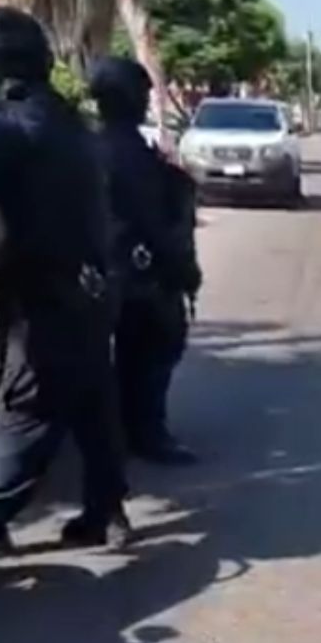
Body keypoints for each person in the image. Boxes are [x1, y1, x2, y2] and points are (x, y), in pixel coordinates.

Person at [0, 7, 130, 558]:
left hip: (45, 293)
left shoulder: (4, 127)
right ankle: (106, 512)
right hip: (91, 285)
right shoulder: (64, 119)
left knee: (25, 407)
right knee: (91, 401)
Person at [91, 56, 202, 465]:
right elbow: (150, 220)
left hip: (94, 270)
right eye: (142, 94)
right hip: (136, 272)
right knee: (158, 346)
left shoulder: (89, 145)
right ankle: (145, 431)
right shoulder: (129, 154)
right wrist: (183, 268)